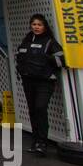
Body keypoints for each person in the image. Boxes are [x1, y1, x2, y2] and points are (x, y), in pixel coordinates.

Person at [15, 13, 65, 157]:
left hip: (44, 81)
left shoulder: (50, 42)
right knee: (32, 110)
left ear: (44, 26)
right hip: (28, 80)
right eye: (34, 24)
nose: (36, 27)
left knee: (40, 107)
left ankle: (42, 143)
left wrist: (46, 58)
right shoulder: (26, 40)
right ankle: (36, 141)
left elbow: (61, 61)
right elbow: (19, 57)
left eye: (39, 25)